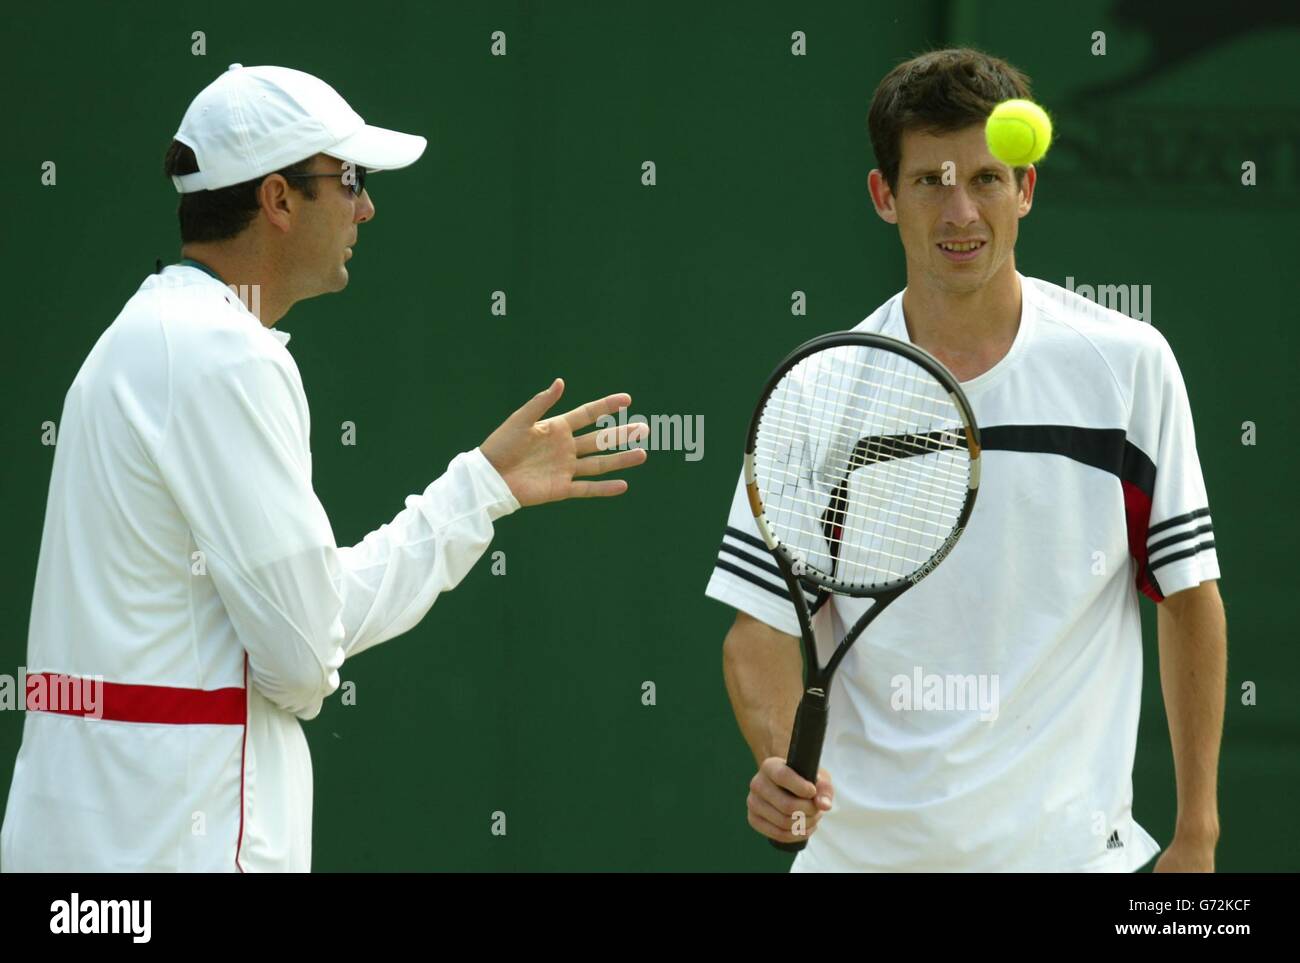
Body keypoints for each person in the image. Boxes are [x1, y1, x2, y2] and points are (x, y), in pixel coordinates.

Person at [0, 64, 646, 872]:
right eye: (349, 179)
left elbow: (303, 618)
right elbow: (304, 660)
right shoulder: (224, 355)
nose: (367, 206)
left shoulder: (146, 338)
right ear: (277, 199)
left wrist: (480, 488)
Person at [707, 48, 1226, 872]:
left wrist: (1197, 830)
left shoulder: (1130, 366)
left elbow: (1188, 596)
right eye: (930, 181)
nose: (961, 212)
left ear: (1025, 188)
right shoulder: (817, 395)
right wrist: (781, 760)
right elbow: (760, 628)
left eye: (986, 179)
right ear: (886, 197)